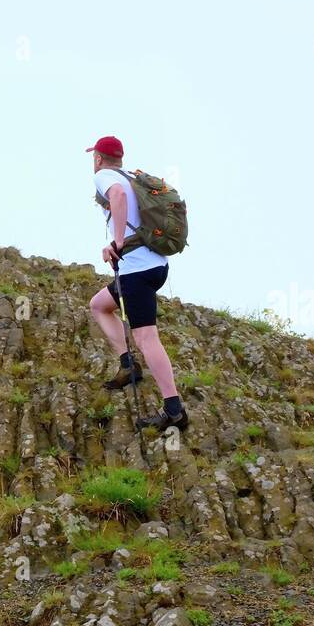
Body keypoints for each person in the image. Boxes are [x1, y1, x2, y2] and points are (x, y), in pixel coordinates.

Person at [86, 135, 188, 432]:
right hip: (155, 265)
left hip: (136, 270)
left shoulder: (105, 177)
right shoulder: (135, 177)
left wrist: (116, 243)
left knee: (146, 338)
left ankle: (174, 410)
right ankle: (128, 364)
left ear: (98, 158)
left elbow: (116, 196)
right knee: (99, 305)